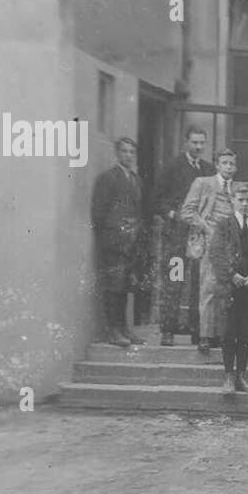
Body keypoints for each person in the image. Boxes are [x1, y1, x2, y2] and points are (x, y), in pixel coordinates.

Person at [151, 125, 213, 345]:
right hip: (176, 237)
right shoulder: (173, 167)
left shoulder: (208, 169)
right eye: (194, 142)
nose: (198, 147)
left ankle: (198, 330)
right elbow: (157, 200)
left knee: (200, 282)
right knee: (174, 281)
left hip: (200, 237)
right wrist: (173, 214)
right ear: (186, 142)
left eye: (202, 143)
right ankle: (168, 330)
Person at [179, 147, 239, 359]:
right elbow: (186, 212)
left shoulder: (238, 189)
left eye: (232, 164)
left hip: (230, 247)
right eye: (225, 163)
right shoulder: (203, 183)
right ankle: (204, 337)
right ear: (217, 165)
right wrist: (205, 226)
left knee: (226, 292)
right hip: (208, 244)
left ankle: (222, 336)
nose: (229, 167)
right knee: (208, 290)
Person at [91, 136, 147, 347]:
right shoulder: (108, 178)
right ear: (117, 153)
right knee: (113, 287)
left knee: (125, 287)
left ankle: (124, 328)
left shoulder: (136, 179)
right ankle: (113, 330)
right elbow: (99, 213)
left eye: (132, 152)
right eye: (124, 151)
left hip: (131, 243)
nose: (129, 156)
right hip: (113, 243)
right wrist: (109, 238)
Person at [209, 181, 248, 393]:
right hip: (229, 289)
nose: (244, 204)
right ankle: (228, 377)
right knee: (228, 332)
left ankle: (241, 375)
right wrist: (232, 275)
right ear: (232, 201)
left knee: (245, 333)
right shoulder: (224, 225)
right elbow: (216, 253)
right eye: (240, 200)